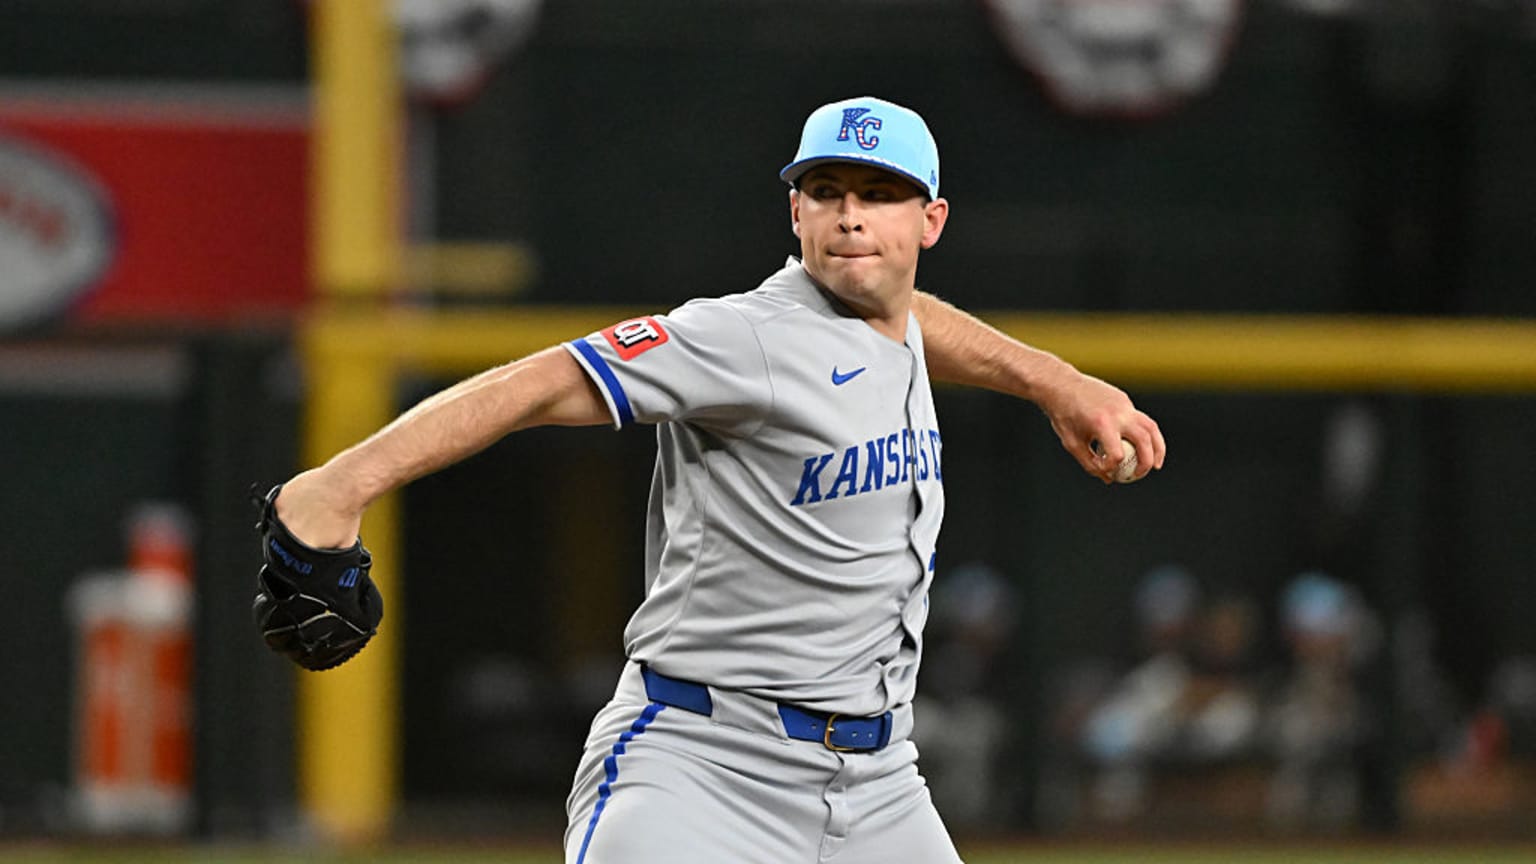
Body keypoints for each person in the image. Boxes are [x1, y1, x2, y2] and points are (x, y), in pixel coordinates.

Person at [271, 95, 1165, 863]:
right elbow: (543, 382)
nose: (851, 217)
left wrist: (1056, 381)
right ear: (795, 212)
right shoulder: (747, 337)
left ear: (930, 222)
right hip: (705, 765)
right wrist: (339, 486)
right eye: (827, 192)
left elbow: (915, 317)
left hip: (881, 782)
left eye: (880, 194)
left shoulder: (895, 326)